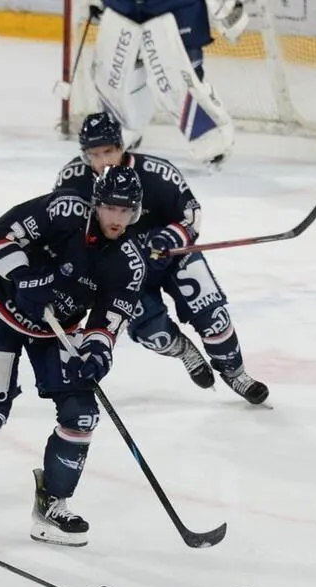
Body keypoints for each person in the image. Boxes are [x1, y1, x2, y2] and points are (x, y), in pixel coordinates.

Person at [0, 166, 147, 547]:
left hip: (55, 328)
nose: (119, 218)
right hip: (0, 311)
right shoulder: (63, 211)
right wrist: (23, 275)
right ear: (97, 204)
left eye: (127, 211)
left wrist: (96, 351)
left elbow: (108, 319)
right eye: (112, 208)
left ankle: (52, 504)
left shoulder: (128, 263)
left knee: (82, 415)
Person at [55, 112, 268, 404]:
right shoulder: (73, 180)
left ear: (121, 146)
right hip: (122, 272)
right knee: (152, 332)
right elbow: (62, 231)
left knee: (211, 313)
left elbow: (190, 213)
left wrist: (170, 238)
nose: (103, 160)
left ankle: (235, 373)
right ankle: (184, 351)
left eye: (108, 151)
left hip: (169, 258)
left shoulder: (157, 172)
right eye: (94, 154)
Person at [85, 0, 248, 164]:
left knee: (179, 80)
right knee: (112, 76)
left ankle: (211, 136)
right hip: (123, 7)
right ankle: (119, 132)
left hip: (177, 9)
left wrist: (225, 7)